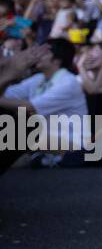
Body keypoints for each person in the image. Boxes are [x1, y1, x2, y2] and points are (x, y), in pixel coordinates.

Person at [0, 38, 89, 172]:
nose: (38, 56)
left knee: (14, 129)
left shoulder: (68, 82)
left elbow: (31, 106)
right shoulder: (39, 79)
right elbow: (6, 96)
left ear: (57, 60)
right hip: (43, 139)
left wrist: (10, 73)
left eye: (44, 53)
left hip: (72, 144)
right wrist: (9, 75)